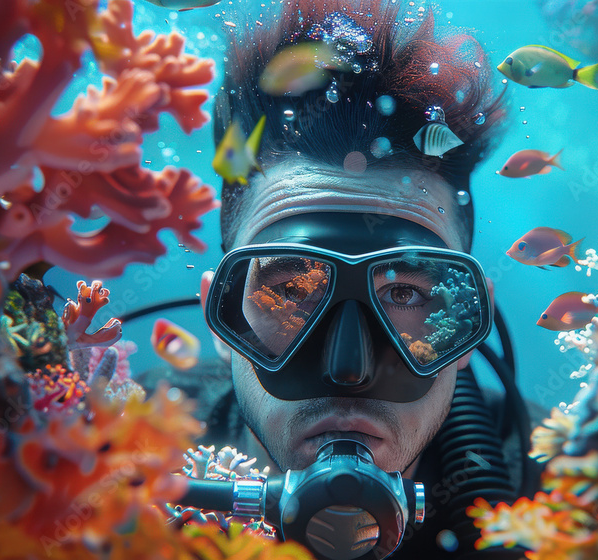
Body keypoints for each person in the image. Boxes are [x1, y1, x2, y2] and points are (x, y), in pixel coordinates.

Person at [197, 1, 540, 557]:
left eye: (404, 293)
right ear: (221, 315)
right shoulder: (125, 463)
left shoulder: (564, 480)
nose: (348, 371)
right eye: (291, 289)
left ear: (468, 330)